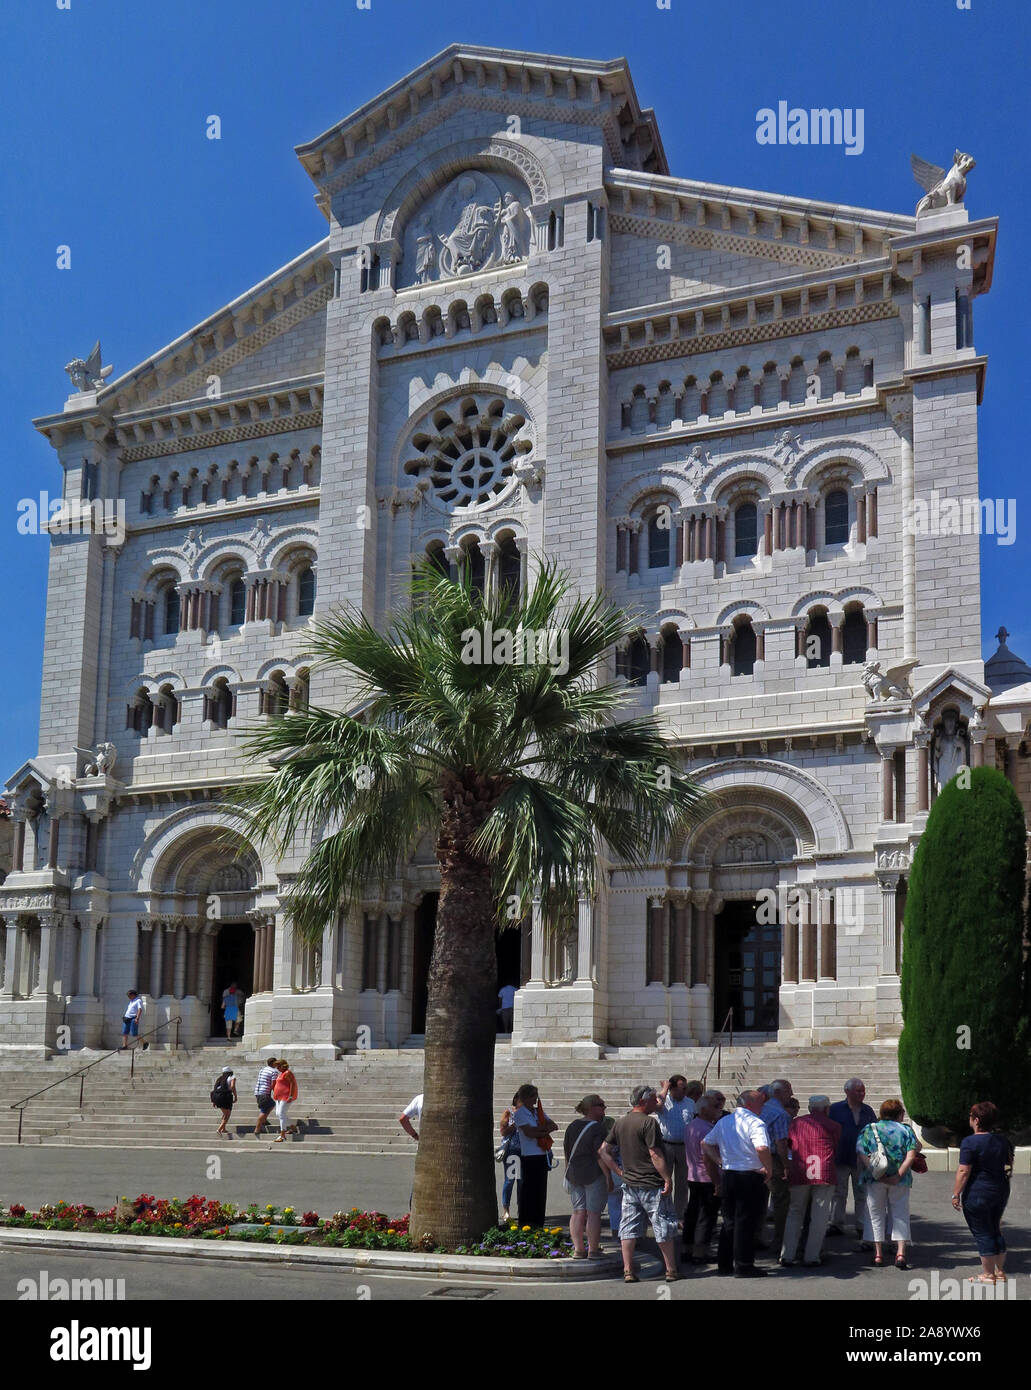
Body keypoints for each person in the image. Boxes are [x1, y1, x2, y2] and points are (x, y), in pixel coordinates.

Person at [600, 1085, 680, 1283]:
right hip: (651, 1183)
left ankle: (628, 1270)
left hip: (630, 1183)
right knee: (662, 1225)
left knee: (628, 1227)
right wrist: (667, 1178)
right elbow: (655, 1153)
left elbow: (603, 1150)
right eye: (653, 1099)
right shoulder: (648, 1123)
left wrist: (619, 1172)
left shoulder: (620, 1122)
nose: (657, 1102)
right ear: (643, 1101)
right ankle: (670, 1269)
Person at [701, 1090, 773, 1278]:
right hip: (749, 1174)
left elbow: (706, 1143)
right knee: (746, 1221)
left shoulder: (725, 1121)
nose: (762, 1107)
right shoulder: (755, 1123)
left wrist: (720, 1161)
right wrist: (769, 1168)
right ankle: (744, 1264)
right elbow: (762, 1147)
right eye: (761, 1103)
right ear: (750, 1104)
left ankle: (724, 1264)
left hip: (730, 1174)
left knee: (730, 1221)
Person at [952, 1100, 1014, 1286]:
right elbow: (1009, 1164)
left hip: (978, 1191)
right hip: (1000, 1189)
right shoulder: (1003, 1140)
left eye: (971, 1117)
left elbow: (964, 1171)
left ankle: (988, 1275)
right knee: (995, 1229)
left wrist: (956, 1194)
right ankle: (999, 1271)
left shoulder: (970, 1142)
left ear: (976, 1120)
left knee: (982, 1232)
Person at [856, 1098, 918, 1269]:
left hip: (874, 1178)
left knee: (874, 1214)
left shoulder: (869, 1129)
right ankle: (900, 1253)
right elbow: (911, 1155)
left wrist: (875, 1172)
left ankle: (878, 1254)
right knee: (900, 1213)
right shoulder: (905, 1130)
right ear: (899, 1114)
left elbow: (862, 1153)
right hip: (900, 1179)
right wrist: (898, 1175)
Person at [781, 1095, 841, 1266]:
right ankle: (812, 1256)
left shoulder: (796, 1123)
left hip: (800, 1170)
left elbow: (790, 1144)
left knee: (794, 1212)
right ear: (827, 1109)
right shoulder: (834, 1125)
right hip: (824, 1171)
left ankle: (787, 1254)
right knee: (820, 1216)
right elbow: (836, 1145)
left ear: (810, 1108)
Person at [562, 1095, 611, 1258]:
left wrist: (566, 1173)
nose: (604, 1108)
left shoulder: (572, 1126)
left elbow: (567, 1152)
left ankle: (578, 1249)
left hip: (574, 1174)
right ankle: (593, 1250)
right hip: (593, 1174)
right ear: (591, 1108)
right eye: (601, 1105)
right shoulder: (598, 1127)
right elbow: (600, 1154)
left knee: (577, 1212)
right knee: (594, 1213)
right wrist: (608, 1176)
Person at [828, 1077, 876, 1241]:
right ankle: (836, 1223)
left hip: (861, 1159)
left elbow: (873, 1132)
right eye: (858, 1090)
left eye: (863, 1090)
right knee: (838, 1192)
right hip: (840, 1156)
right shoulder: (835, 1109)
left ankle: (861, 1225)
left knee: (861, 1193)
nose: (862, 1093)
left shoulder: (867, 1110)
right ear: (847, 1091)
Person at [683, 1089, 724, 1263]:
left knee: (693, 1213)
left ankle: (688, 1248)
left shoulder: (692, 1126)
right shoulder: (707, 1129)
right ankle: (700, 1252)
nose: (719, 1109)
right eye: (715, 1106)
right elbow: (708, 1159)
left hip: (693, 1176)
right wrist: (717, 1182)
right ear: (704, 1110)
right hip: (707, 1177)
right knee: (706, 1216)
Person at [511, 1084, 557, 1228]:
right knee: (529, 1191)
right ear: (525, 1097)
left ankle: (538, 1222)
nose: (535, 1099)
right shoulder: (520, 1113)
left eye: (535, 1096)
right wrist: (543, 1130)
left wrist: (540, 1131)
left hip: (542, 1154)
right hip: (530, 1156)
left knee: (540, 1190)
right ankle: (526, 1222)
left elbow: (553, 1125)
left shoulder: (538, 1112)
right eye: (532, 1096)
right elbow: (529, 1133)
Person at [760, 1078, 793, 1254]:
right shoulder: (780, 1114)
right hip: (773, 1159)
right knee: (781, 1200)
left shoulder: (762, 1109)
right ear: (779, 1092)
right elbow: (781, 1143)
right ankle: (779, 1240)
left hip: (756, 1157)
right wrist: (786, 1164)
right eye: (789, 1090)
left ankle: (756, 1236)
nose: (792, 1094)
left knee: (759, 1199)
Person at [656, 1074, 692, 1227]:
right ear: (673, 1088)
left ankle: (679, 1214)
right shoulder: (664, 1101)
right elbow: (657, 1107)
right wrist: (664, 1089)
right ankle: (664, 1213)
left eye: (686, 1088)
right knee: (665, 1182)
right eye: (682, 1088)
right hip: (666, 1145)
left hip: (684, 1146)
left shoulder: (690, 1102)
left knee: (683, 1183)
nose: (685, 1091)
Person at [498, 1092, 521, 1221]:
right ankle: (506, 1210)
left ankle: (521, 1208)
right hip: (512, 1150)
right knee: (510, 1180)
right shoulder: (509, 1112)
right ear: (516, 1099)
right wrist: (515, 1124)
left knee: (522, 1182)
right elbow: (503, 1132)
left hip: (526, 1152)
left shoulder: (530, 1113)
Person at [272, 1058, 298, 1142]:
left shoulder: (287, 1073)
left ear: (283, 1065)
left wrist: (290, 1096)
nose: (277, 1068)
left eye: (278, 1066)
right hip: (278, 1097)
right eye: (276, 1066)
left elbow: (292, 1084)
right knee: (278, 1114)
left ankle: (282, 1135)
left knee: (281, 1114)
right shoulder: (281, 1073)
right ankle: (292, 1126)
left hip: (285, 1096)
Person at [253, 1055, 279, 1137]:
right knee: (268, 1107)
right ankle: (258, 1128)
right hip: (264, 1092)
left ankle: (264, 1120)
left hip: (258, 1092)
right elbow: (273, 1084)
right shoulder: (274, 1072)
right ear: (274, 1063)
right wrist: (276, 1094)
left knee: (265, 1107)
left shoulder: (262, 1070)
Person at [211, 1064, 237, 1135]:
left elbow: (215, 1089)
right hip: (225, 1096)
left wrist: (213, 1101)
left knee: (225, 1113)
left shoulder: (220, 1078)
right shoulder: (232, 1077)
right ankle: (219, 1129)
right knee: (227, 1114)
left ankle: (223, 1129)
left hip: (216, 1096)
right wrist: (235, 1096)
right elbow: (232, 1086)